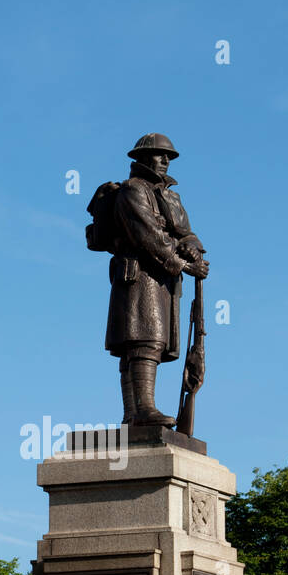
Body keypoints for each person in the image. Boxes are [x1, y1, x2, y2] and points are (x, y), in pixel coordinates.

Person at [104, 133, 209, 425]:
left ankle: (135, 414)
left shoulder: (171, 196)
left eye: (168, 157)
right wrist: (182, 264)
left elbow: (187, 232)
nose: (165, 161)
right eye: (159, 155)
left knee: (150, 342)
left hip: (163, 278)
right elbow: (147, 235)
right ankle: (140, 410)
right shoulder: (132, 190)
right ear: (142, 158)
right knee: (142, 341)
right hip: (139, 276)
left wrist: (193, 248)